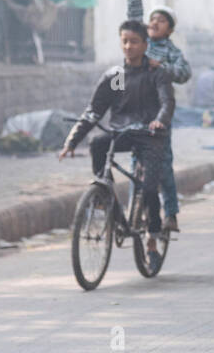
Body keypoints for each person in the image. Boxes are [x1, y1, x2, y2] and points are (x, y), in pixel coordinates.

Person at [59, 19, 174, 271]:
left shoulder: (156, 74)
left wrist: (158, 121)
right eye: (124, 41)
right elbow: (95, 110)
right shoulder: (118, 77)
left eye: (134, 41)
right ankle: (104, 194)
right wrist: (72, 140)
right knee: (98, 145)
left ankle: (152, 240)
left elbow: (167, 103)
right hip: (121, 131)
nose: (129, 46)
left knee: (150, 188)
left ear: (145, 44)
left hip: (150, 135)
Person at [128, 0, 190, 232]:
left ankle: (171, 214)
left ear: (169, 29)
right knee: (135, 162)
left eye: (161, 21)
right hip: (136, 110)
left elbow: (184, 73)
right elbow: (133, 15)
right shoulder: (140, 42)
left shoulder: (170, 52)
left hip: (160, 112)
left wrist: (161, 66)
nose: (154, 22)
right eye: (152, 19)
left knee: (164, 164)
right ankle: (136, 213)